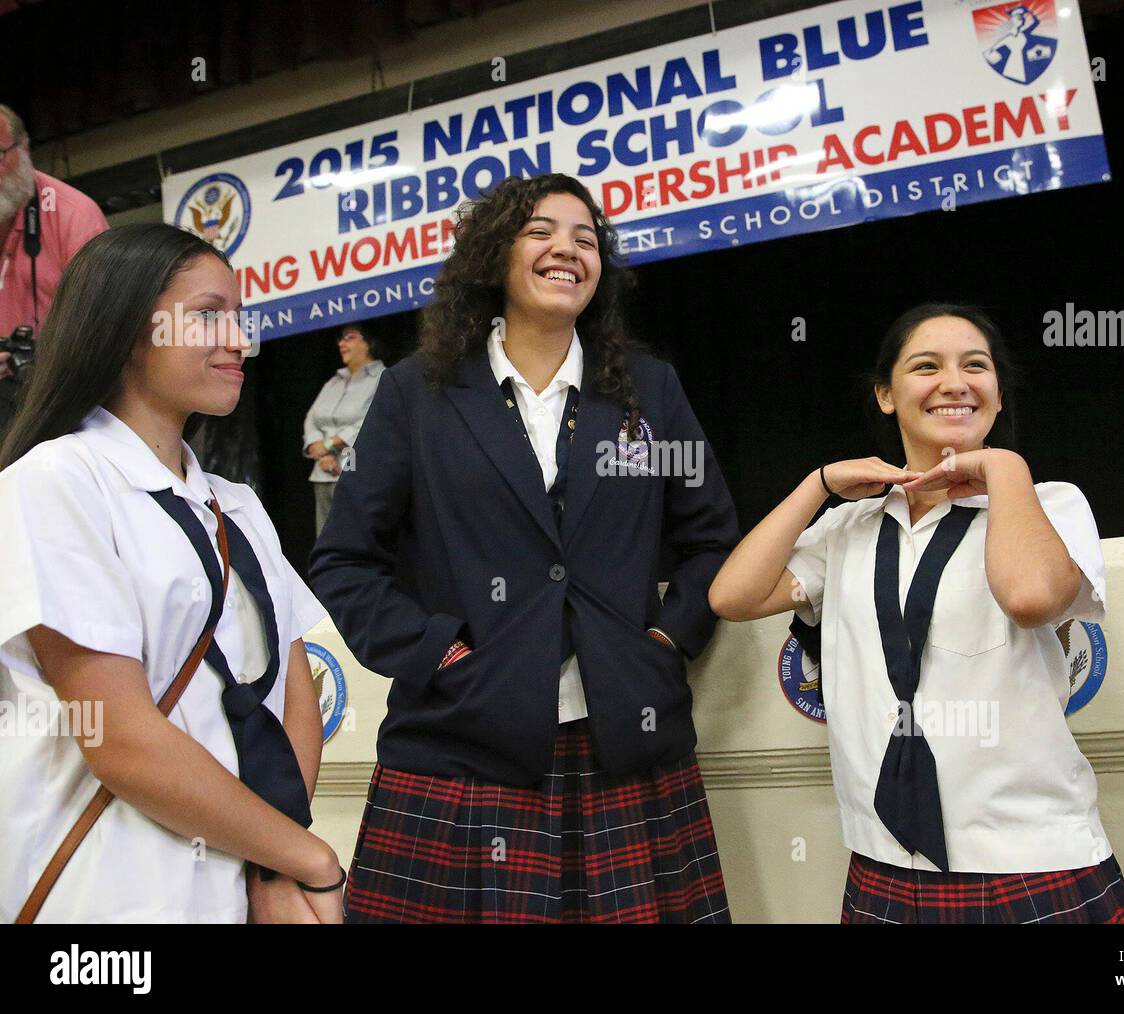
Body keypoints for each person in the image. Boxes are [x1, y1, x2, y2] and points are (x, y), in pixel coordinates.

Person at [310, 173, 740, 924]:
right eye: (540, 231)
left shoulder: (650, 391)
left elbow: (712, 542)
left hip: (625, 743)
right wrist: (440, 654)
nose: (566, 249)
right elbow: (346, 561)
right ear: (493, 255)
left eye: (585, 237)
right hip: (462, 744)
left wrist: (666, 643)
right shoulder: (421, 393)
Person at [709, 303, 1124, 924]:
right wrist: (818, 484)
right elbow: (732, 597)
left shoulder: (1048, 505)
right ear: (886, 394)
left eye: (976, 367)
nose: (955, 382)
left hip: (1028, 853)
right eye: (926, 366)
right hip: (884, 857)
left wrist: (1003, 468)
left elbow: (1029, 597)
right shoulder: (850, 526)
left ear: (996, 395)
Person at [0, 223, 344, 923]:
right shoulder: (56, 481)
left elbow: (291, 693)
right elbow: (120, 738)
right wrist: (303, 857)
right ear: (129, 328)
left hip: (233, 885)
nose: (239, 340)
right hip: (104, 894)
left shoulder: (238, 506)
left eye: (241, 318)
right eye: (209, 314)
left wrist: (271, 855)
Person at [0, 104, 108, 376]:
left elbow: (104, 328)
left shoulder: (75, 215)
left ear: (23, 148)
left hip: (61, 390)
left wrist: (34, 361)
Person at [302, 324, 386, 535]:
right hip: (323, 472)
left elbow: (372, 422)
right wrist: (321, 451)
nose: (341, 343)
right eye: (341, 339)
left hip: (358, 472)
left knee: (359, 538)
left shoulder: (383, 378)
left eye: (349, 338)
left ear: (368, 343)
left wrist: (329, 445)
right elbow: (311, 418)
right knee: (325, 540)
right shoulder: (333, 382)